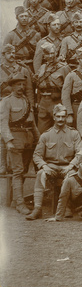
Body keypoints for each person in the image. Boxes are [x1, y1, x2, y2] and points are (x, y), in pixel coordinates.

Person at [1, 70, 37, 214]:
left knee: (25, 170)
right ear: (12, 86)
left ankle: (16, 199)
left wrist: (38, 138)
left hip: (28, 139)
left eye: (23, 84)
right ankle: (20, 204)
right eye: (18, 84)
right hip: (15, 139)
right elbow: (2, 123)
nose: (21, 87)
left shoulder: (26, 100)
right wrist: (8, 140)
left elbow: (32, 123)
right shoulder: (6, 101)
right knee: (17, 171)